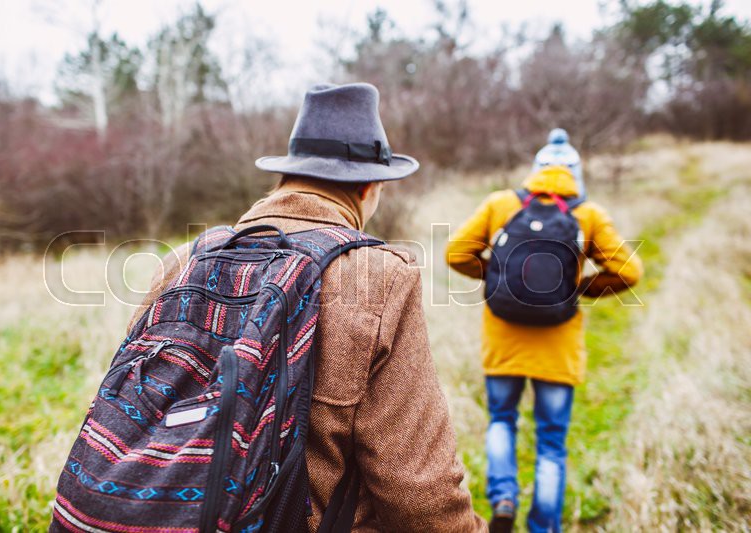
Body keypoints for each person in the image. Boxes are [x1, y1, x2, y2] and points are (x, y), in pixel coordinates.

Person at [130, 83, 485, 531]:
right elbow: (419, 491)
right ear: (369, 187)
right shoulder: (379, 277)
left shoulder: (183, 259)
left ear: (285, 176)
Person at [445, 132, 642, 533]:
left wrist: (496, 278)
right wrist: (578, 288)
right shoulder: (589, 215)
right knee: (551, 442)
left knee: (502, 419)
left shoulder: (501, 204)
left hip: (503, 341)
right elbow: (629, 271)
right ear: (576, 174)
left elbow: (455, 253)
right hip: (559, 344)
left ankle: (502, 499)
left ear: (535, 171)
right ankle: (544, 526)